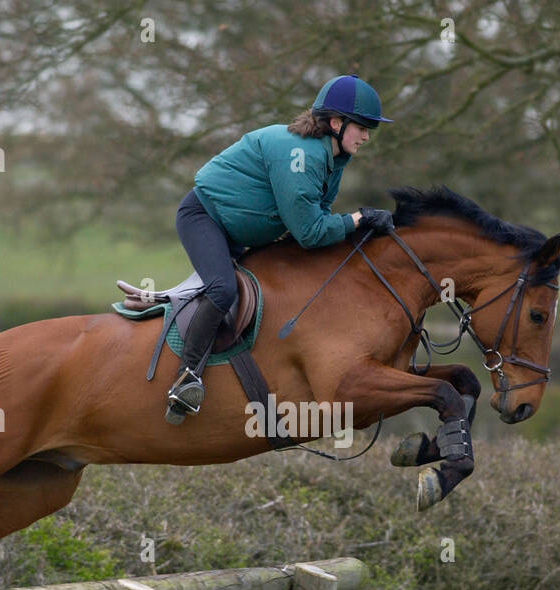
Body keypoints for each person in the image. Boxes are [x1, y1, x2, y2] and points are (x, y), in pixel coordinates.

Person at [165, 74, 397, 422]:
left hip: (242, 232)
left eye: (369, 129)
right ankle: (185, 378)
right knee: (223, 288)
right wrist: (359, 219)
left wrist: (355, 226)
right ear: (336, 123)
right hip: (203, 218)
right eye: (362, 127)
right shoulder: (302, 155)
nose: (366, 136)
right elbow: (310, 233)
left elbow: (314, 223)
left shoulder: (332, 159)